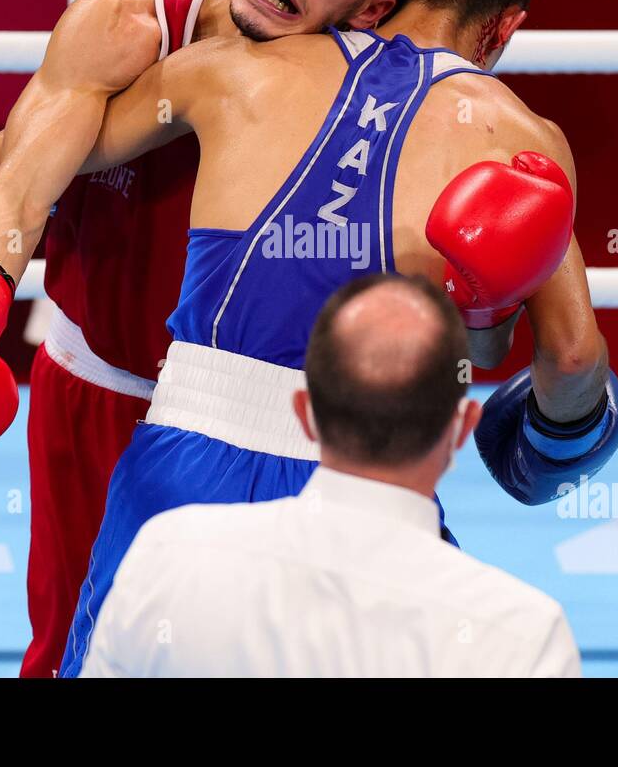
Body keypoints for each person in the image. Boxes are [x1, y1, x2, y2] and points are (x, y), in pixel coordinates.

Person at [0, 0, 434, 677]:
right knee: (74, 641)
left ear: (368, 7)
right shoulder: (123, 26)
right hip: (98, 380)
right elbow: (18, 182)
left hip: (251, 419)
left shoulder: (371, 99)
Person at [59, 0, 618, 677]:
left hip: (182, 453)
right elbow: (570, 362)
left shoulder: (249, 59)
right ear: (504, 28)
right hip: (370, 479)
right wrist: (554, 435)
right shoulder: (521, 141)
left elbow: (37, 155)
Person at [80, 274, 582, 678]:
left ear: (306, 412)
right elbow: (574, 355)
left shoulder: (165, 558)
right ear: (461, 429)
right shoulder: (520, 635)